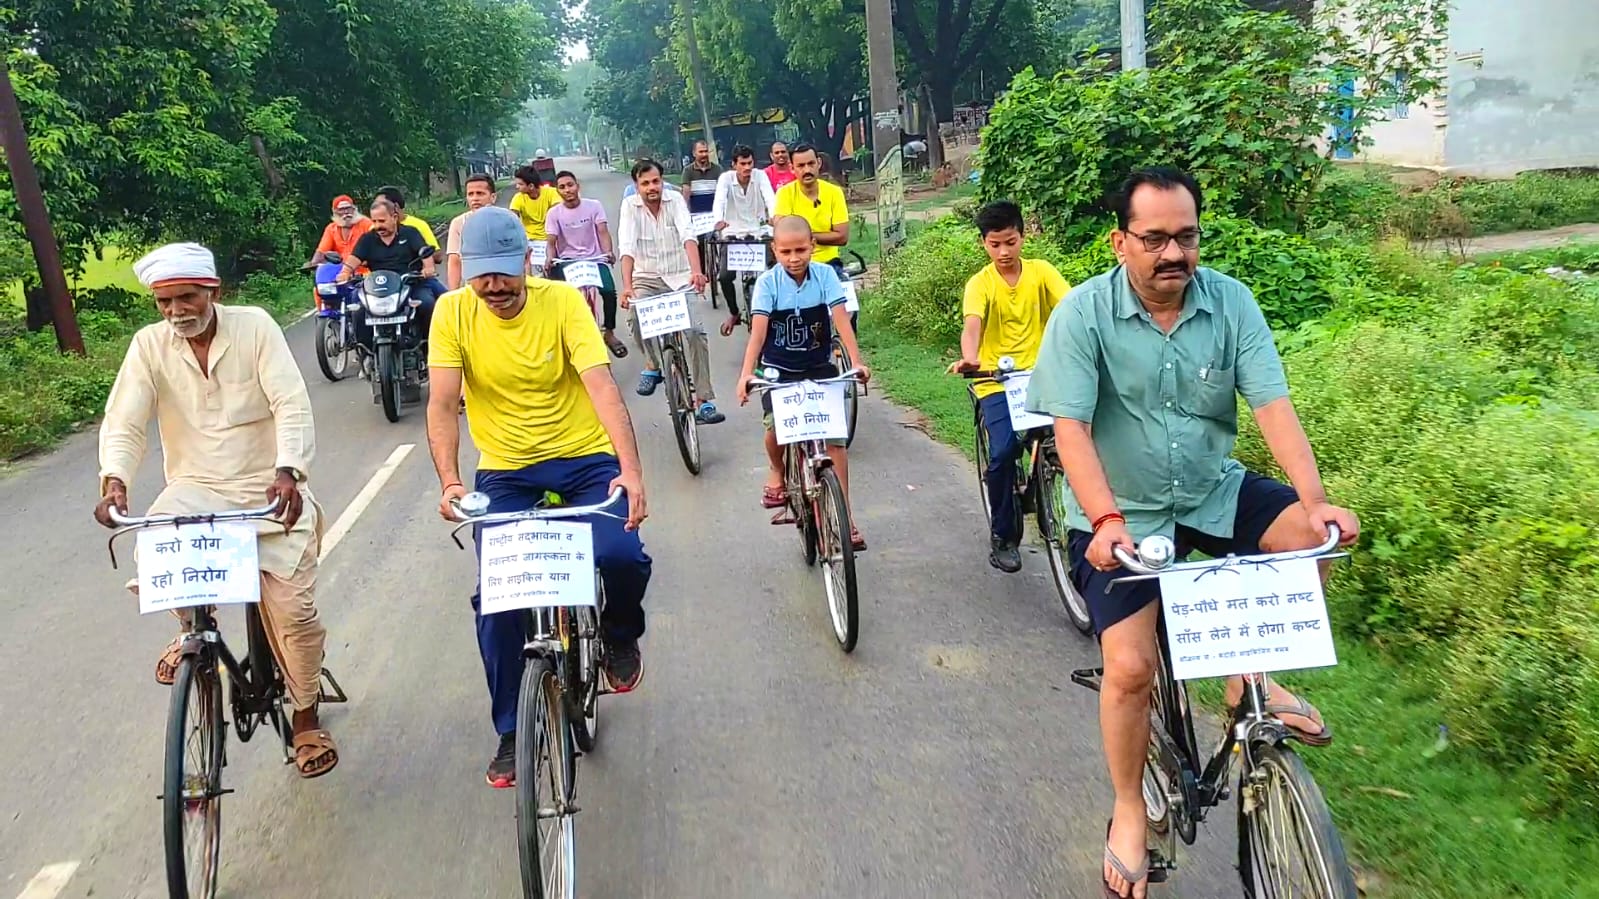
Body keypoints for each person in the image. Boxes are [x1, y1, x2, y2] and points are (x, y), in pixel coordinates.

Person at [1025, 167, 1360, 899]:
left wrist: (1317, 498)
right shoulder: (1082, 315)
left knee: (1314, 537)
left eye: (1185, 236)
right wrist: (1105, 517)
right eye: (1153, 239)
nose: (1172, 253)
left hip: (1213, 490)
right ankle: (1125, 811)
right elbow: (1070, 431)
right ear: (1120, 241)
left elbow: (1272, 406)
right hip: (1124, 513)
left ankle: (1247, 676)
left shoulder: (1231, 301)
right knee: (1131, 668)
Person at [426, 206, 652, 788]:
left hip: (584, 460)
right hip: (506, 473)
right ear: (465, 269)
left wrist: (632, 472)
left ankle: (621, 635)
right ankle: (511, 729)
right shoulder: (451, 312)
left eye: (505, 272)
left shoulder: (562, 302)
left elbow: (601, 387)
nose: (495, 287)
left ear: (527, 262)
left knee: (623, 556)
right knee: (498, 605)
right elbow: (443, 402)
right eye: (482, 275)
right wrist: (451, 480)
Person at [95, 242, 338, 778]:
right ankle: (191, 632)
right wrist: (114, 480)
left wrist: (289, 470)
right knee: (155, 543)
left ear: (213, 292)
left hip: (269, 487)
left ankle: (304, 714)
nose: (176, 311)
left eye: (186, 298)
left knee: (293, 614)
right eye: (165, 302)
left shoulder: (254, 327)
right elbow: (126, 421)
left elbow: (290, 402)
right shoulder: (148, 347)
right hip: (197, 486)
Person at [948, 201, 1070, 573]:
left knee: (1073, 442)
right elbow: (973, 326)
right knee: (1002, 453)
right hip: (995, 382)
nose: (1004, 252)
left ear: (1023, 236)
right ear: (983, 243)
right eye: (995, 244)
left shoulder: (1041, 272)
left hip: (1041, 376)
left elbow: (1071, 308)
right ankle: (1003, 535)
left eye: (1010, 242)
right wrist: (971, 358)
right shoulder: (980, 284)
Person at [736, 217, 869, 550]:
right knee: (775, 429)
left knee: (835, 442)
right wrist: (746, 374)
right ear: (774, 250)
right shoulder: (767, 284)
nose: (794, 258)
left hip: (819, 366)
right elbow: (759, 332)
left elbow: (841, 321)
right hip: (777, 370)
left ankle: (846, 517)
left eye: (800, 250)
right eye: (785, 252)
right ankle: (777, 470)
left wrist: (857, 362)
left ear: (813, 245)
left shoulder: (826, 276)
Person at [617, 158, 726, 424]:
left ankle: (704, 399)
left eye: (655, 181)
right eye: (645, 183)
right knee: (634, 316)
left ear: (662, 181)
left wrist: (697, 271)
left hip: (680, 276)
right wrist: (627, 287)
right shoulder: (629, 207)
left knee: (695, 333)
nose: (651, 187)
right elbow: (627, 247)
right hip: (646, 277)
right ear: (637, 186)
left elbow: (688, 236)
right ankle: (653, 364)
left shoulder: (675, 200)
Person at [336, 198, 439, 356]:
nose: (378, 226)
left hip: (410, 283)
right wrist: (345, 272)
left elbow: (424, 253)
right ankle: (366, 353)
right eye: (375, 221)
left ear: (394, 217)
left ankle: (429, 349)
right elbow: (354, 259)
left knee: (426, 304)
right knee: (357, 308)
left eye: (382, 221)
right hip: (377, 288)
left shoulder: (410, 233)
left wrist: (428, 268)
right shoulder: (368, 239)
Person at [545, 169, 629, 358]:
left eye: (570, 185)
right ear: (557, 191)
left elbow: (602, 232)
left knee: (609, 291)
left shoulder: (594, 206)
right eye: (562, 187)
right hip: (568, 262)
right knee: (568, 298)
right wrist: (549, 258)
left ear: (577, 186)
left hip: (595, 259)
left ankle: (609, 332)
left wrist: (608, 252)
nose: (567, 190)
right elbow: (551, 241)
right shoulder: (554, 213)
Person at [710, 144, 777, 335]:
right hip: (732, 233)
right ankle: (734, 312)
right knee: (724, 276)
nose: (747, 167)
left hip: (758, 231)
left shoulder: (760, 176)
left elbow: (770, 198)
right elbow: (720, 201)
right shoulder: (725, 179)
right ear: (734, 165)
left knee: (773, 270)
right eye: (742, 163)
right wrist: (718, 221)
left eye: (750, 163)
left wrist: (774, 215)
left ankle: (776, 307)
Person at [773, 143, 849, 276]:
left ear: (818, 163)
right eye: (801, 166)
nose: (807, 170)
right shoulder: (785, 194)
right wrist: (821, 235)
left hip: (829, 263)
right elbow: (783, 235)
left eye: (811, 163)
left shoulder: (834, 193)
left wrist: (802, 236)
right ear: (792, 168)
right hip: (795, 264)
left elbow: (842, 237)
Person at [446, 173, 497, 290]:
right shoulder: (458, 223)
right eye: (470, 194)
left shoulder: (508, 221)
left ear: (493, 197)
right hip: (473, 288)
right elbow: (455, 261)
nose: (475, 198)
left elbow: (521, 258)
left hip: (503, 288)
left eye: (480, 193)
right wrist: (453, 296)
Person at [308, 194, 372, 266]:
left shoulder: (367, 224)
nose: (346, 212)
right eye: (342, 209)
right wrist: (313, 263)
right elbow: (321, 252)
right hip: (340, 273)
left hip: (366, 272)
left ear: (354, 209)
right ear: (335, 212)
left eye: (348, 208)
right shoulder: (331, 229)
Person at [510, 165, 561, 249]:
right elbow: (512, 218)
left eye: (520, 184)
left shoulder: (552, 193)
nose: (517, 187)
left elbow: (557, 213)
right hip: (529, 240)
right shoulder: (518, 198)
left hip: (552, 238)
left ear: (531, 186)